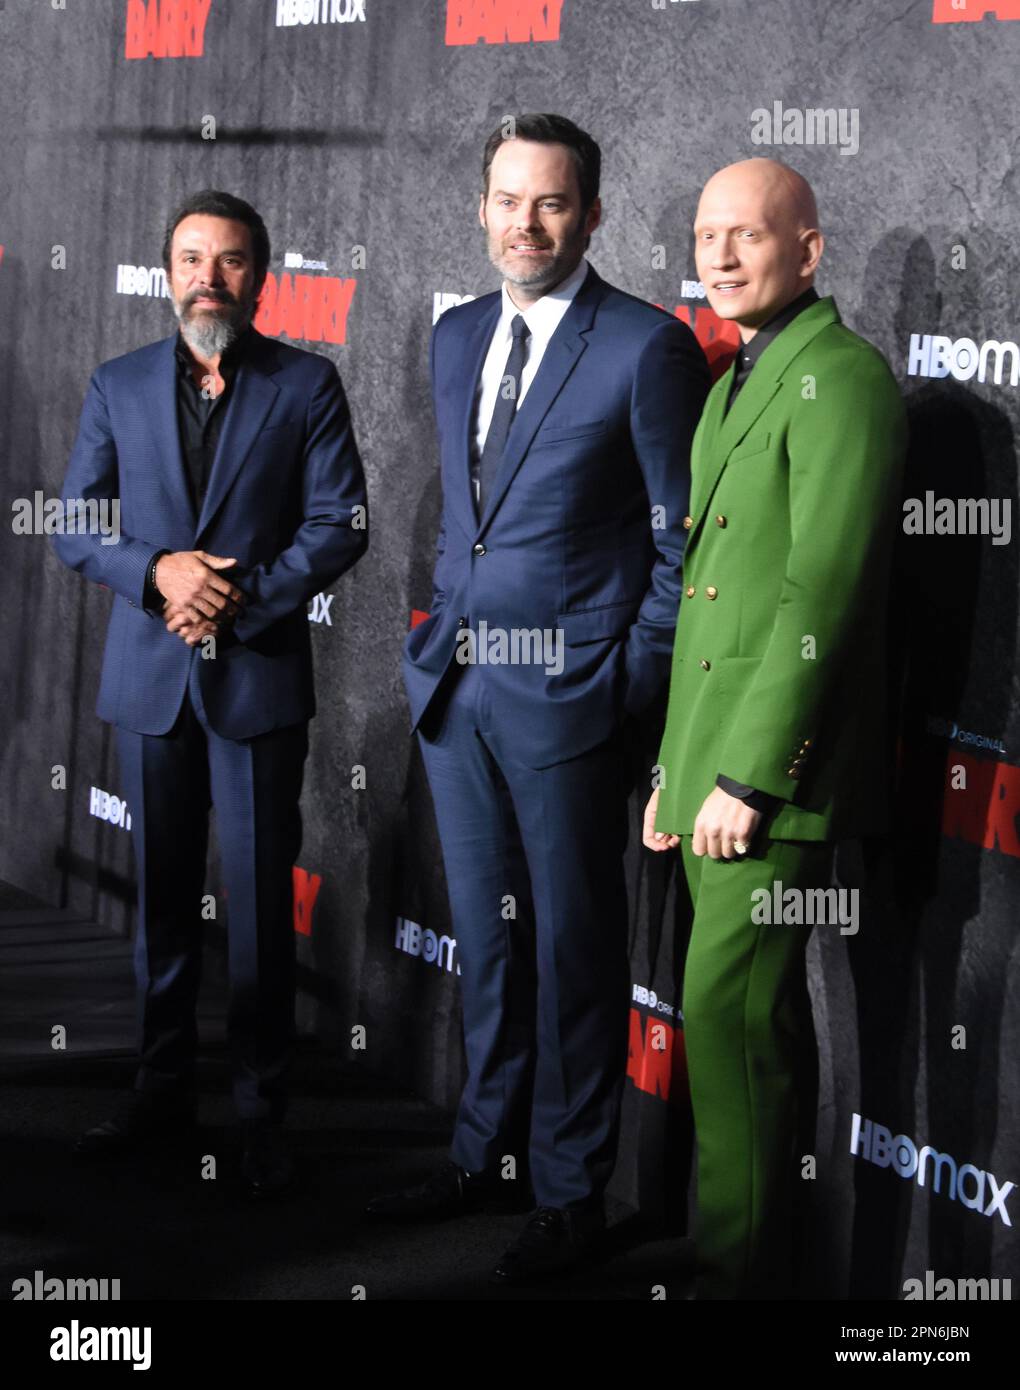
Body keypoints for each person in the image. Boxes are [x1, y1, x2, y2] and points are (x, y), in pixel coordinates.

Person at [376, 113, 710, 1282]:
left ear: (593, 215)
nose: (526, 223)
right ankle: (487, 1154)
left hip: (573, 703)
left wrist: (624, 685)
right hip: (458, 690)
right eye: (508, 200)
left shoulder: (646, 346)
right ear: (481, 207)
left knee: (575, 951)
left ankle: (571, 1190)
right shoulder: (458, 333)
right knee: (491, 942)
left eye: (552, 203)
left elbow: (684, 547)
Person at [52, 189, 368, 1197]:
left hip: (258, 679)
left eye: (229, 261)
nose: (208, 278)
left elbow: (342, 523)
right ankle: (160, 1089)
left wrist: (235, 598)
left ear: (261, 277)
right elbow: (74, 526)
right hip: (153, 682)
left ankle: (260, 1110)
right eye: (191, 258)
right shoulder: (117, 385)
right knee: (161, 908)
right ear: (165, 270)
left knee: (263, 910)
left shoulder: (307, 385)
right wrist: (157, 574)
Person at [644, 158, 907, 1298]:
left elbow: (823, 594)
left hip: (769, 788)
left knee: (734, 1025)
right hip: (707, 773)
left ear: (809, 248)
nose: (722, 254)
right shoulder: (737, 380)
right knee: (740, 1031)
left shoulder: (839, 378)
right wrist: (675, 765)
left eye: (750, 234)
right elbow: (714, 600)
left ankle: (736, 1281)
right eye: (708, 235)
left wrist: (749, 775)